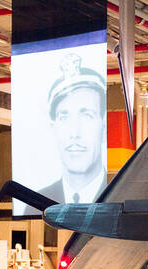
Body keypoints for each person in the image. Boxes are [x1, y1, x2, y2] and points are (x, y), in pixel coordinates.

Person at [37, 53, 107, 204]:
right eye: (64, 117)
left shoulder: (119, 199)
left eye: (87, 116)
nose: (74, 133)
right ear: (53, 129)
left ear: (104, 128)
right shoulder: (36, 203)